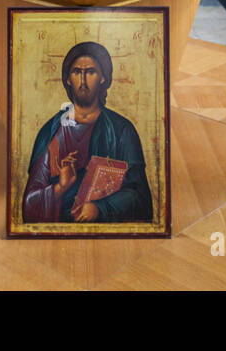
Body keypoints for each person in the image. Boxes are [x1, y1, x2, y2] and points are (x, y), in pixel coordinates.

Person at [22, 42, 152, 223]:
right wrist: (60, 187)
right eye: (76, 72)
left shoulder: (122, 130)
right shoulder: (51, 133)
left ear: (102, 78)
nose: (83, 80)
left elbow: (140, 197)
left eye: (90, 72)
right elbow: (29, 206)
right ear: (68, 79)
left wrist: (101, 209)